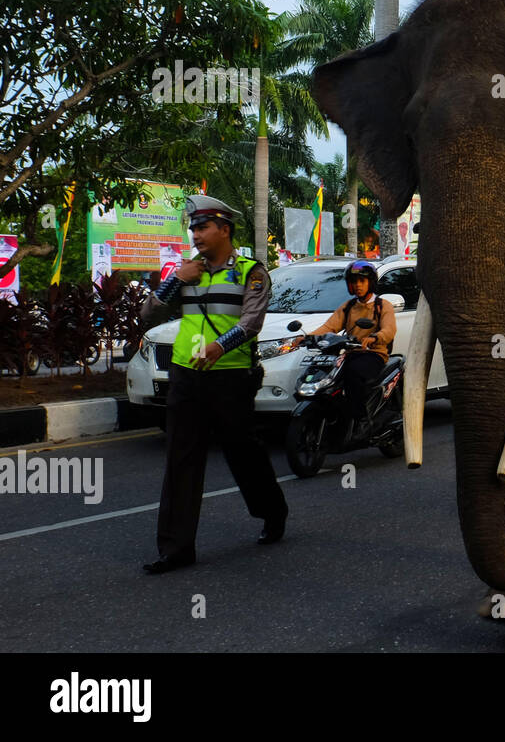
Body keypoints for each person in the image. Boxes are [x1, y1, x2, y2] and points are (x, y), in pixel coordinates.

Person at [141, 196, 287, 574]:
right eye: (193, 228)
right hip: (186, 375)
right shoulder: (187, 271)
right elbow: (149, 313)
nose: (196, 234)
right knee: (181, 458)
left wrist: (220, 347)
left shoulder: (251, 272)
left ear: (224, 229)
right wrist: (176, 280)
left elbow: (252, 322)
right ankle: (176, 549)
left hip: (230, 377)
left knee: (243, 451)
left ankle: (272, 511)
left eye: (203, 227)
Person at [304, 261, 397, 437]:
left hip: (374, 355)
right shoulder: (348, 307)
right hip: (350, 353)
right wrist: (306, 337)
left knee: (352, 373)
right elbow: (329, 327)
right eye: (354, 282)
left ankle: (363, 420)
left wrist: (374, 337)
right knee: (327, 374)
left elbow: (389, 329)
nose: (358, 285)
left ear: (371, 282)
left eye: (362, 281)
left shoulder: (383, 305)